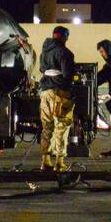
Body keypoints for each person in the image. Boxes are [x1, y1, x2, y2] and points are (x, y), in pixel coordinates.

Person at [38, 25, 75, 172]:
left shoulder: (44, 52)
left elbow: (42, 69)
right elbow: (68, 74)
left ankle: (45, 160)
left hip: (45, 93)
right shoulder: (65, 53)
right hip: (60, 94)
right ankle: (60, 162)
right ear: (65, 37)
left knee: (46, 127)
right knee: (61, 126)